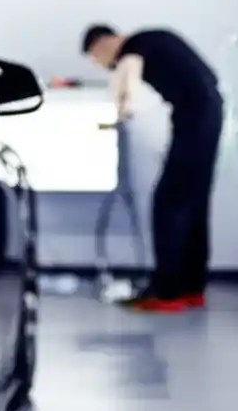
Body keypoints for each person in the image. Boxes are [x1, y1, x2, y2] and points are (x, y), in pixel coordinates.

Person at [82, 24, 223, 312]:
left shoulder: (134, 47)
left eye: (97, 59)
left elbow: (128, 77)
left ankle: (167, 293)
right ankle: (191, 287)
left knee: (169, 203)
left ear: (102, 44)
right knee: (193, 203)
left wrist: (124, 109)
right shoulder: (149, 41)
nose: (103, 65)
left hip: (196, 115)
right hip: (207, 111)